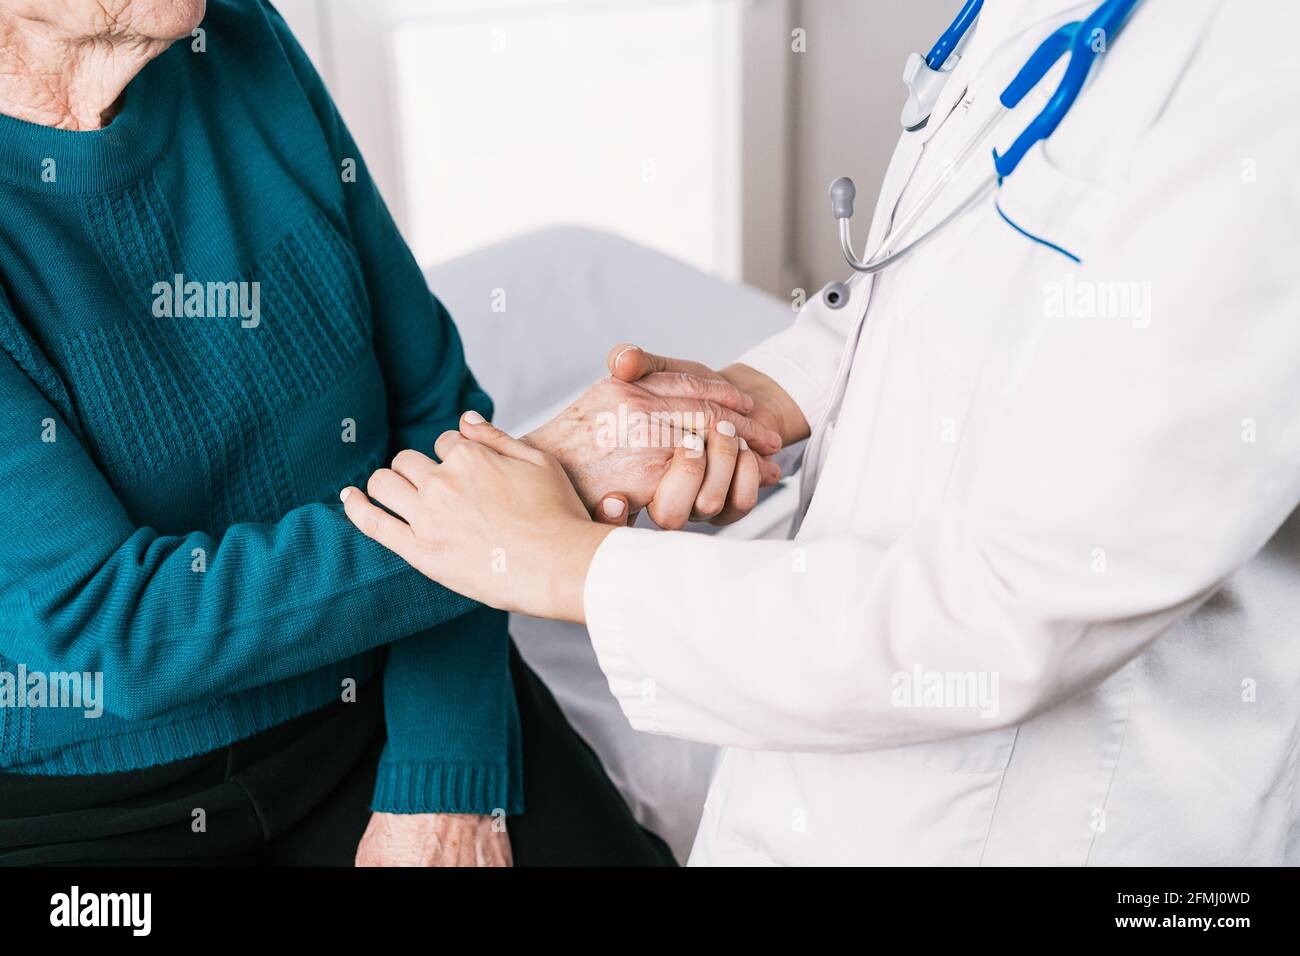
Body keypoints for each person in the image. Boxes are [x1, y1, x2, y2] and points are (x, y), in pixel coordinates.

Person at [344, 0, 1300, 865]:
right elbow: (931, 274)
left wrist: (567, 567)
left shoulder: (1261, 79)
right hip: (831, 755)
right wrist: (753, 393)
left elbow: (1019, 605)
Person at [0, 0, 778, 866]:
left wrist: (445, 766)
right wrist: (552, 474)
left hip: (383, 686)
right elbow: (106, 634)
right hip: (95, 807)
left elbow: (434, 408)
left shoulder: (237, 35)